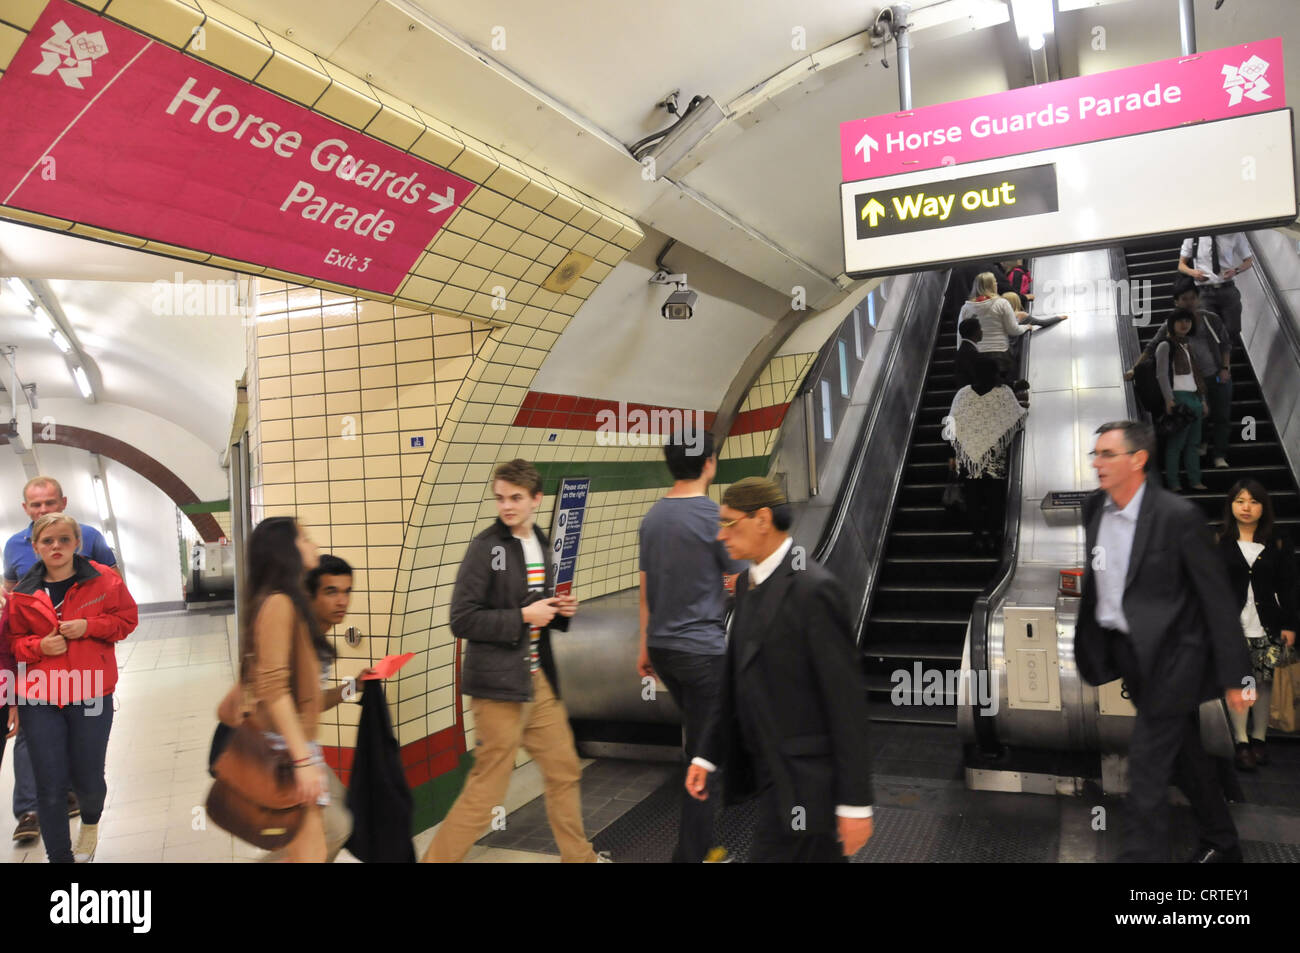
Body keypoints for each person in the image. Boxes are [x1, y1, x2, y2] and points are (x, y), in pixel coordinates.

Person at [1076, 421, 1252, 862]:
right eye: (1096, 454)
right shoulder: (1094, 508)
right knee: (1183, 754)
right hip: (1127, 653)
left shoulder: (1177, 516)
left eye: (1108, 454)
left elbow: (1215, 597)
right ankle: (1223, 842)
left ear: (1138, 459)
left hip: (1175, 656)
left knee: (1148, 762)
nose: (1097, 463)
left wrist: (1236, 675)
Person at [686, 478, 875, 862]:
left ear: (762, 520)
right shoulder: (746, 585)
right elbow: (733, 681)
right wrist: (706, 755)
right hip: (772, 776)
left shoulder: (814, 590)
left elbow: (846, 703)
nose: (721, 536)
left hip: (810, 785)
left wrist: (855, 804)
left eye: (728, 523)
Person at [422, 459, 601, 863]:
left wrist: (558, 611)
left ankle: (581, 858)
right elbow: (462, 619)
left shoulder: (538, 539)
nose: (506, 506)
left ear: (536, 499)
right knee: (486, 792)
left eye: (515, 498)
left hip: (535, 681)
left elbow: (533, 605)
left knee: (564, 769)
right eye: (500, 498)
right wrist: (523, 616)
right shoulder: (486, 548)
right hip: (498, 689)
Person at [637, 429, 745, 863]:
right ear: (709, 463)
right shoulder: (715, 518)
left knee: (700, 740)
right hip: (702, 653)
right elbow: (743, 578)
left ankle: (701, 845)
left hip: (663, 649)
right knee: (707, 756)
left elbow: (646, 591)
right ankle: (693, 856)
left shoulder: (652, 518)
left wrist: (645, 646)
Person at [5, 513, 137, 863]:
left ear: (77, 543)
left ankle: (90, 821)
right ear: (35, 547)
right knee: (49, 784)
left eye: (64, 539)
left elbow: (127, 620)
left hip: (91, 691)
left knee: (89, 782)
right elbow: (13, 644)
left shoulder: (104, 579)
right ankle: (60, 858)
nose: (56, 547)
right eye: (47, 541)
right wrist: (39, 647)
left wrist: (89, 626)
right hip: (39, 696)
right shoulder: (22, 593)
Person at [245, 553, 374, 862]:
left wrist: (353, 687)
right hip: (276, 755)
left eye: (346, 591)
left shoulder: (319, 643)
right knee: (334, 828)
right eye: (331, 592)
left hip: (299, 752)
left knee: (344, 814)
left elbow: (310, 704)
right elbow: (275, 704)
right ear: (310, 595)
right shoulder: (295, 639)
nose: (342, 601)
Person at [230, 517, 337, 862]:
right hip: (287, 750)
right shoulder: (279, 603)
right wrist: (302, 759)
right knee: (311, 851)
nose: (313, 544)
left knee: (311, 848)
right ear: (285, 550)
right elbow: (274, 689)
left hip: (291, 746)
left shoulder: (283, 600)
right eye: (305, 538)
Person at [1215, 480, 1297, 771]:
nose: (1246, 507)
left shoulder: (1278, 541)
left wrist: (1290, 624)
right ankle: (1241, 741)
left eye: (1253, 501)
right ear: (1231, 506)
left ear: (1264, 506)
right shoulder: (1219, 540)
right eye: (1240, 501)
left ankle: (1259, 738)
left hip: (1268, 625)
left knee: (1263, 683)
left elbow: (1289, 585)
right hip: (1232, 626)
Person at [1126, 277, 1232, 468]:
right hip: (1191, 381)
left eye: (1192, 298)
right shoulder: (1171, 324)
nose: (1189, 302)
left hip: (1216, 375)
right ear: (1176, 302)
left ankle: (1219, 455)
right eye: (1184, 299)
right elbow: (1151, 347)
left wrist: (1225, 368)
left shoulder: (1210, 319)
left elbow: (1225, 345)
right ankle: (1202, 442)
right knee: (1200, 415)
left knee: (1221, 415)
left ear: (1198, 298)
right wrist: (1135, 368)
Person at [944, 355, 1027, 555]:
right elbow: (1018, 417)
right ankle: (994, 538)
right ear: (994, 372)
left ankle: (978, 537)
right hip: (993, 460)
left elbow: (951, 426)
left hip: (968, 461)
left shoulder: (963, 394)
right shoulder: (1003, 392)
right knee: (994, 501)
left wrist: (953, 458)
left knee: (973, 501)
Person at [1154, 309, 1210, 493]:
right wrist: (1168, 399)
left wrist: (1202, 400)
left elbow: (1197, 375)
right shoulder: (1165, 346)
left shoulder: (1188, 346)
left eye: (1188, 321)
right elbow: (1161, 375)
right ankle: (1174, 482)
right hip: (1178, 397)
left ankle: (1195, 480)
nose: (1184, 324)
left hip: (1194, 397)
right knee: (1176, 444)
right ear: (1172, 324)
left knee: (1193, 443)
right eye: (1180, 321)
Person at [955, 272, 1031, 383]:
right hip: (1000, 354)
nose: (997, 284)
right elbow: (1013, 330)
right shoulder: (1002, 303)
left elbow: (961, 335)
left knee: (982, 388)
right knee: (1003, 386)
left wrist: (961, 355)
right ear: (991, 285)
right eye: (995, 282)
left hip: (976, 355)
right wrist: (1026, 327)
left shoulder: (966, 308)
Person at [1179, 233, 1255, 343]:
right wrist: (1193, 273)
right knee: (1210, 330)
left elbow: (1249, 260)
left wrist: (1235, 271)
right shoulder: (1193, 237)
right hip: (1205, 292)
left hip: (1227, 288)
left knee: (1233, 328)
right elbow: (1181, 265)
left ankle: (1227, 349)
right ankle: (1220, 352)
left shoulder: (1233, 234)